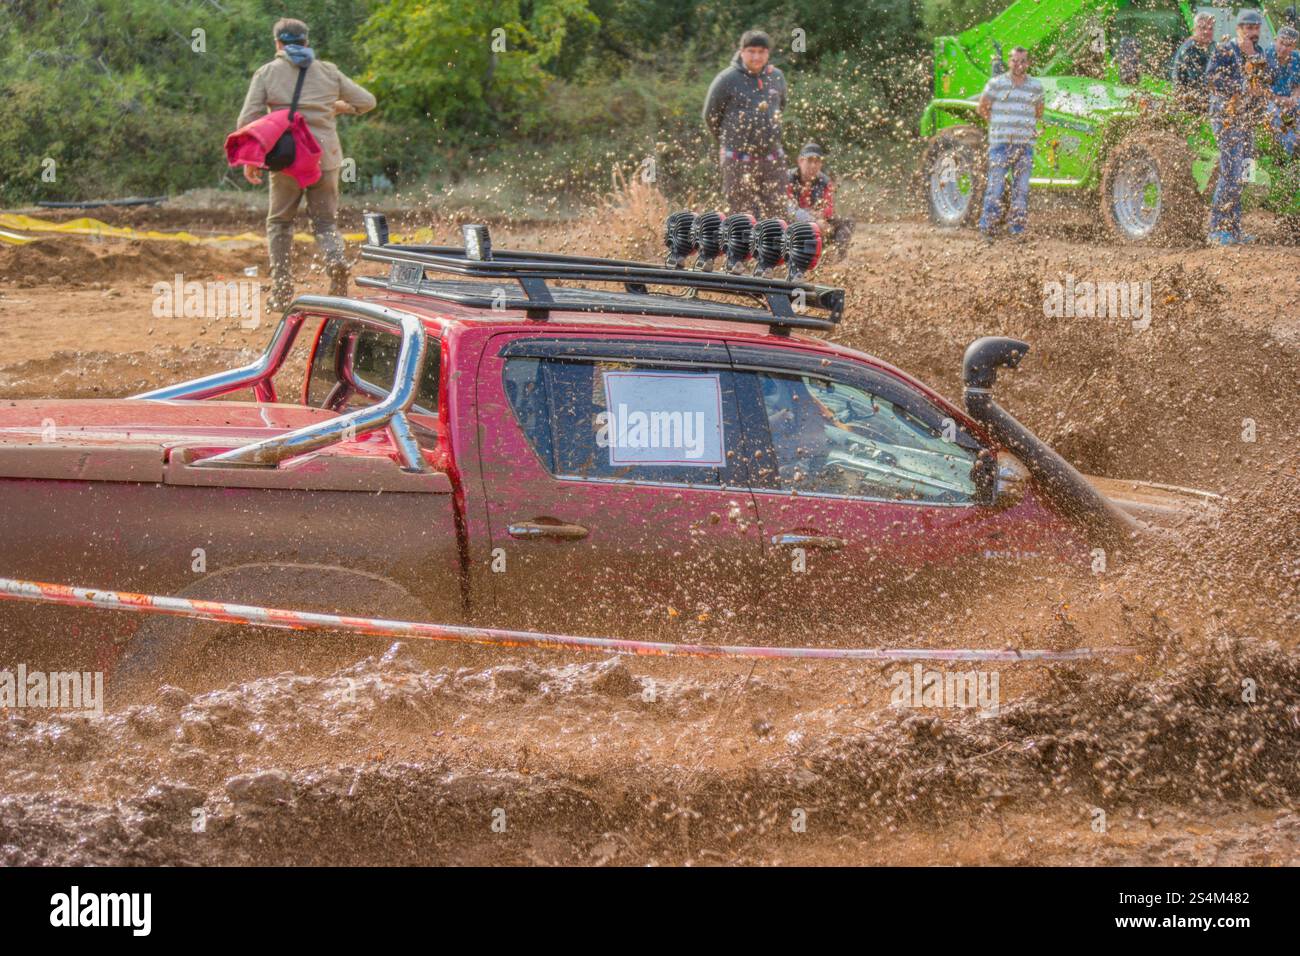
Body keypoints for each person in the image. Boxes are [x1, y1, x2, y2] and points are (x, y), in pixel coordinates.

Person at [237, 17, 376, 311]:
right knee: (325, 222)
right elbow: (367, 101)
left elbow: (247, 118)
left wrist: (251, 158)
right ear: (306, 42)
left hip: (287, 158)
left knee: (279, 223)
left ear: (277, 44)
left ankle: (282, 290)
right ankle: (335, 262)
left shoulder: (267, 73)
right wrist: (337, 107)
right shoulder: (328, 72)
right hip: (325, 158)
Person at [703, 29, 788, 220]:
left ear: (768, 53)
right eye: (751, 51)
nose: (756, 56)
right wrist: (729, 141)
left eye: (761, 51)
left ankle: (773, 250)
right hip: (737, 159)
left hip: (772, 158)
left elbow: (781, 107)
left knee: (778, 214)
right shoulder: (726, 79)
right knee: (741, 216)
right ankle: (742, 250)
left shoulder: (777, 77)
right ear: (742, 52)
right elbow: (710, 116)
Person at [1205, 9, 1271, 245]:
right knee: (1230, 172)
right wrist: (1242, 86)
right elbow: (1211, 78)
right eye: (1248, 28)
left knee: (1244, 173)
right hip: (1226, 118)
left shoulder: (1260, 53)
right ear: (1239, 29)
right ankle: (1216, 228)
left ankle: (1234, 227)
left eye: (1256, 28)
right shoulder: (1225, 49)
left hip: (1248, 120)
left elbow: (1264, 80)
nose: (1253, 32)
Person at [976, 46, 1044, 241]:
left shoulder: (1036, 87)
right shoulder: (996, 84)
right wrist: (997, 124)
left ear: (1028, 63)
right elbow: (982, 108)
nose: (1019, 64)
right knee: (995, 187)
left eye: (1022, 61)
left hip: (1024, 145)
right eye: (1015, 60)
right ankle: (988, 227)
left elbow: (1039, 112)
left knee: (1021, 189)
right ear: (1009, 61)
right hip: (1000, 144)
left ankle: (1017, 230)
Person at [786, 143, 855, 255]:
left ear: (821, 164)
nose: (813, 165)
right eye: (809, 160)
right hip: (793, 224)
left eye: (817, 161)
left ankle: (837, 258)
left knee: (847, 223)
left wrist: (821, 215)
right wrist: (812, 219)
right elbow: (788, 208)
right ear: (800, 161)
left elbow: (829, 208)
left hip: (818, 222)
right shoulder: (788, 178)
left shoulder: (825, 182)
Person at [1170, 11, 1218, 111]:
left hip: (1206, 101)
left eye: (1210, 28)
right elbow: (1200, 80)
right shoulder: (1189, 49)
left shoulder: (1213, 46)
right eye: (1203, 28)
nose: (1207, 32)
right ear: (1194, 29)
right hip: (1189, 105)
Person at [1266, 26, 1300, 157]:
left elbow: (1298, 85)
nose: (1284, 48)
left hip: (1290, 99)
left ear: (1294, 46)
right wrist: (1279, 100)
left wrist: (1294, 98)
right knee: (1274, 113)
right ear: (1276, 40)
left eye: (1289, 45)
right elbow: (1260, 89)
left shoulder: (1297, 59)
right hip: (1269, 100)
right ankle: (1292, 148)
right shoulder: (1266, 56)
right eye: (1281, 43)